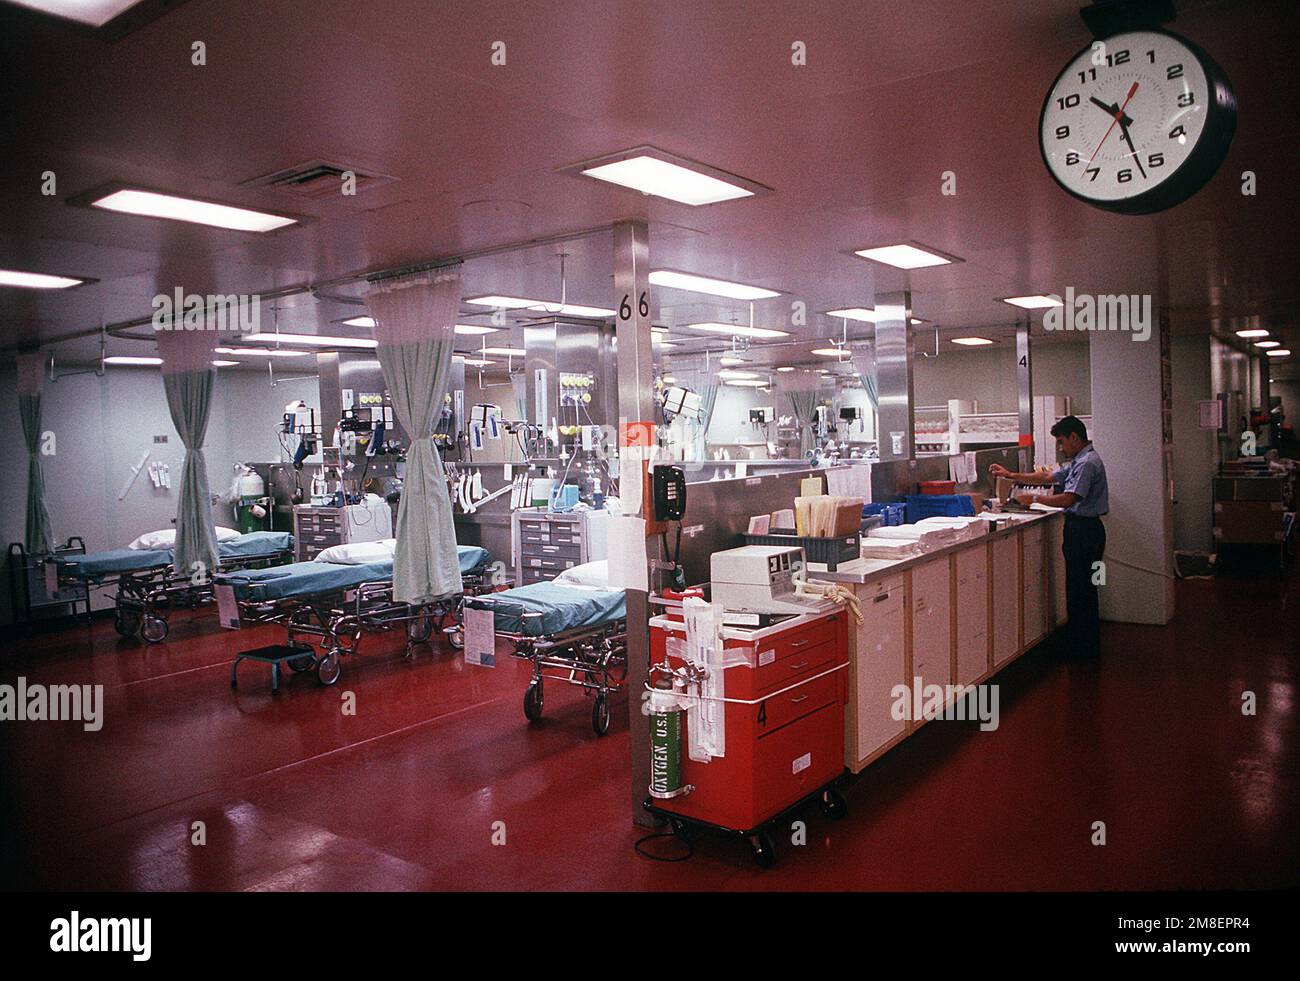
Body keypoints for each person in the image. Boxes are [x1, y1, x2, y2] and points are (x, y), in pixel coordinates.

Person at [989, 416, 1109, 659]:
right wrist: (1010, 475)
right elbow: (1047, 477)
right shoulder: (1081, 460)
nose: (1062, 448)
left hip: (1083, 532)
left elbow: (1068, 499)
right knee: (1087, 587)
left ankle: (1083, 649)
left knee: (1080, 589)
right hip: (1089, 531)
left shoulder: (1086, 463)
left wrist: (1033, 499)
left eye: (1062, 442)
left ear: (1074, 437)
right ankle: (1086, 644)